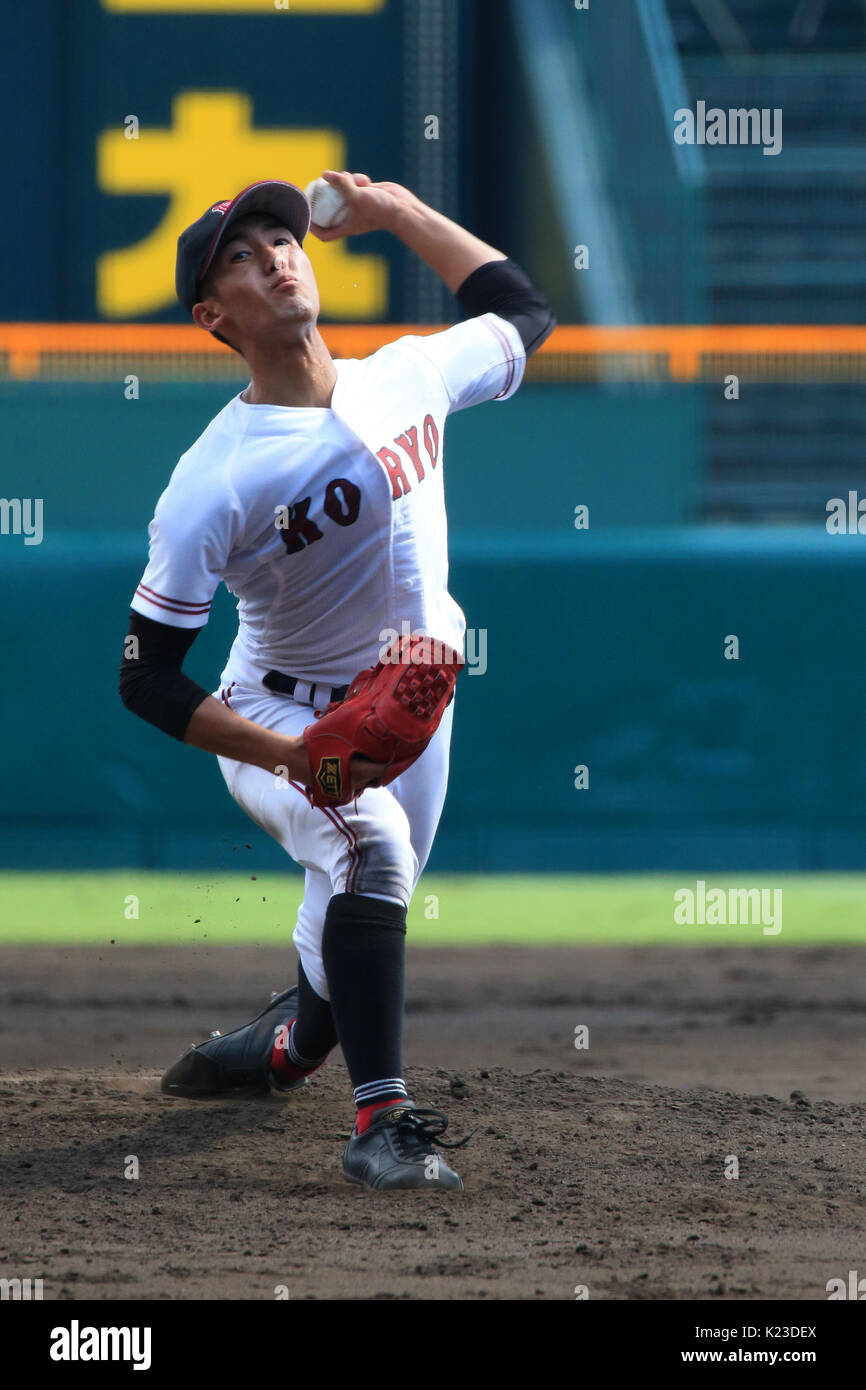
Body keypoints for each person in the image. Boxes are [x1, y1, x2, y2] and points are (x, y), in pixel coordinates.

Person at [119, 171, 555, 1191]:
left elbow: (519, 310)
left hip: (417, 698)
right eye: (239, 254)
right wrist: (286, 756)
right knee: (373, 850)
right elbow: (145, 674)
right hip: (287, 712)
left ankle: (287, 1045)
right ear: (210, 315)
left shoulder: (406, 373)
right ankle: (382, 1126)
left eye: (280, 237)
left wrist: (397, 212)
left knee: (353, 920)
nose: (273, 255)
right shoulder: (211, 480)